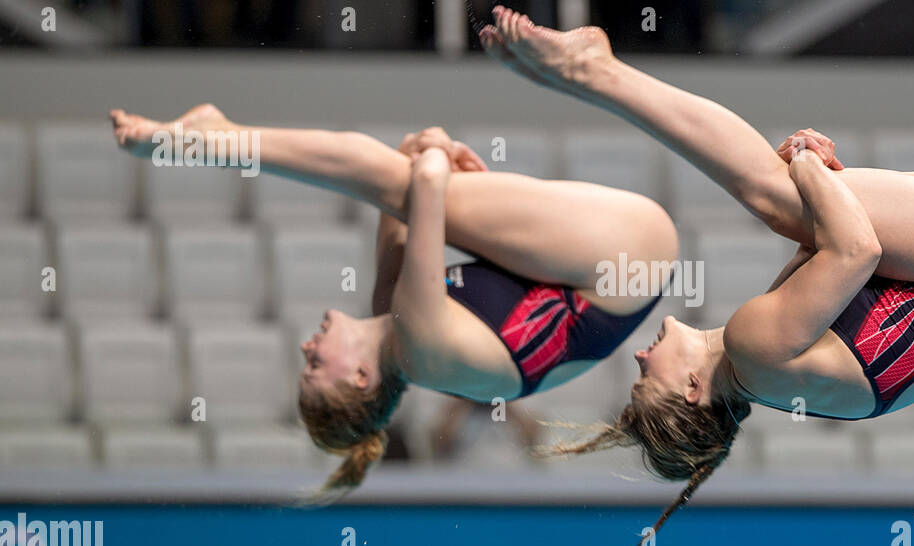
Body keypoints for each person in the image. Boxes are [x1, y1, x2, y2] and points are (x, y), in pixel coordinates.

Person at [479, 7, 914, 546]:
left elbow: (832, 247)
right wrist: (808, 162)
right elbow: (857, 247)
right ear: (690, 390)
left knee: (784, 197)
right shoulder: (753, 349)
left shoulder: (772, 373)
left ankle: (596, 70)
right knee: (773, 191)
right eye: (643, 382)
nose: (637, 362)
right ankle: (594, 71)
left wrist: (814, 180)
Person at [109, 105, 678, 501]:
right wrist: (435, 156)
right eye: (314, 365)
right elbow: (420, 179)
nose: (308, 345)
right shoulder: (424, 347)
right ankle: (208, 139)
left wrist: (432, 154)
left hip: (603, 269)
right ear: (360, 376)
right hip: (624, 256)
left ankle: (217, 137)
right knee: (380, 175)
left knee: (384, 174)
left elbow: (411, 163)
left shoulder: (393, 308)